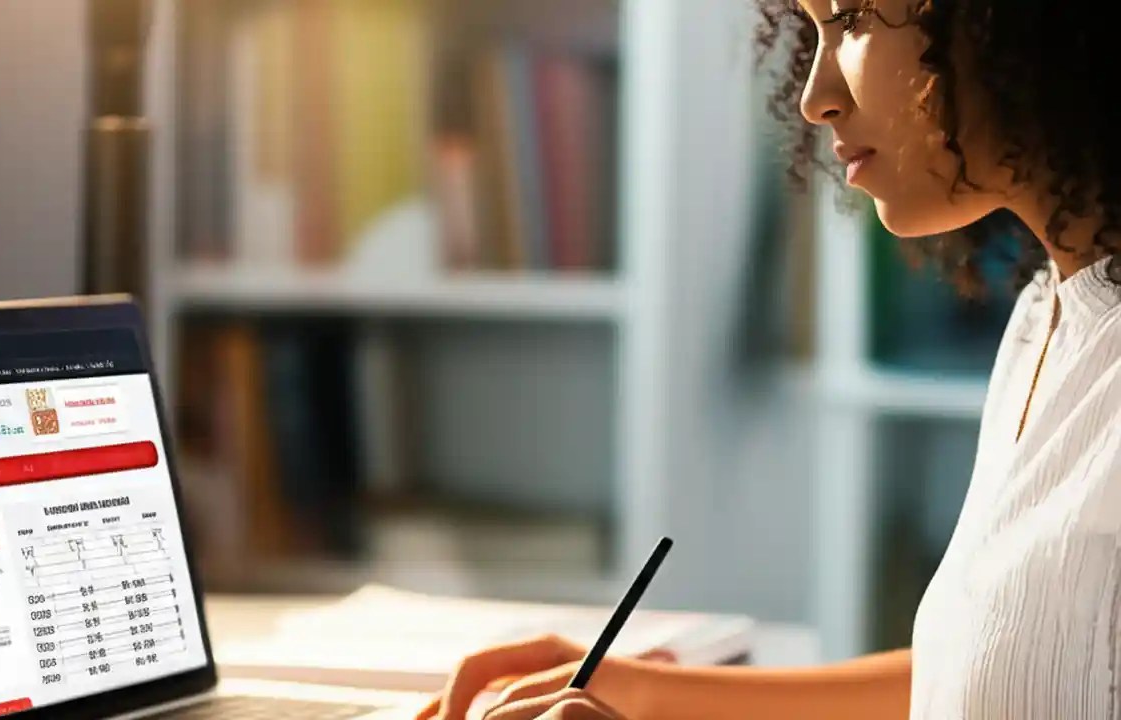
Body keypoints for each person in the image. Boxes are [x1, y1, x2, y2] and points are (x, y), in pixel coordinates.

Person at [418, 0, 1121, 716]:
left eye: (849, 21)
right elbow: (995, 673)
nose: (815, 99)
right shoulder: (1051, 312)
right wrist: (649, 692)